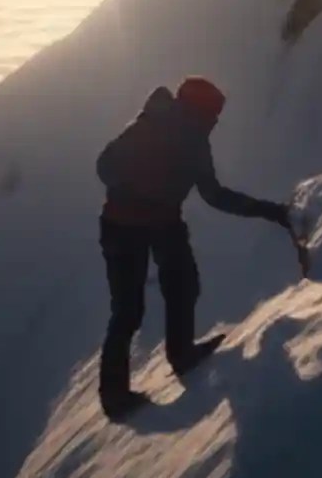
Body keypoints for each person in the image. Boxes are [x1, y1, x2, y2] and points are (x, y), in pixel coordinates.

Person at [94, 76, 291, 419]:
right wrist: (269, 211)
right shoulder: (164, 130)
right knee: (137, 306)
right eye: (212, 116)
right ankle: (124, 390)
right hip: (131, 224)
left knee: (174, 288)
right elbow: (214, 195)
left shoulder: (178, 133)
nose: (214, 124)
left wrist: (268, 210)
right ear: (199, 112)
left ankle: (175, 358)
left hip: (137, 222)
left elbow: (105, 167)